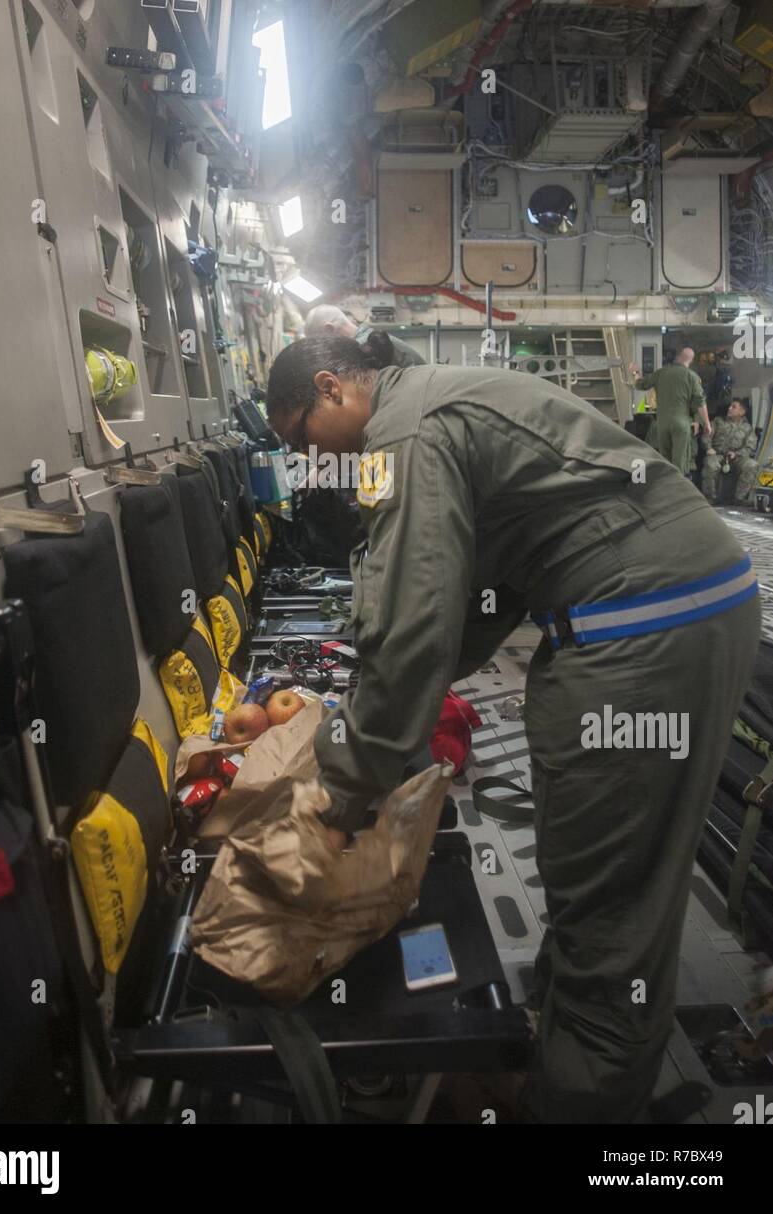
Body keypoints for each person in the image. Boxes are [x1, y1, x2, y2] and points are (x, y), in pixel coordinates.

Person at [266, 334, 760, 1124]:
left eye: (297, 439)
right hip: (672, 609)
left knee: (609, 906)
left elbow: (414, 625)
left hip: (642, 628)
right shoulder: (429, 403)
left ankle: (580, 1106)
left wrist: (339, 789)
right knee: (599, 876)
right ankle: (564, 1062)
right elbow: (471, 603)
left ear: (330, 389)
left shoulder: (405, 433)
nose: (306, 460)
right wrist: (384, 715)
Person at [628, 346, 711, 474]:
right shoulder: (692, 377)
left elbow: (640, 384)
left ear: (678, 358)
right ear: (691, 361)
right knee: (680, 462)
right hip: (681, 423)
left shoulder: (661, 373)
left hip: (662, 424)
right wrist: (707, 423)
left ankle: (667, 488)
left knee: (665, 460)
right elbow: (700, 402)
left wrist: (635, 373)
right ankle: (679, 489)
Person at [304, 302, 425, 368]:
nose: (323, 349)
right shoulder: (368, 339)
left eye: (320, 341)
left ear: (329, 329)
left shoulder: (364, 348)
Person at [702, 398, 757, 506]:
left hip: (736, 458)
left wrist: (737, 454)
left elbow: (750, 447)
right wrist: (708, 447)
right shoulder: (718, 421)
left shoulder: (748, 428)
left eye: (734, 407)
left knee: (752, 465)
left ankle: (739, 499)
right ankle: (710, 498)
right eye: (729, 406)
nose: (729, 408)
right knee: (711, 464)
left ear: (742, 412)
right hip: (717, 455)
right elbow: (706, 435)